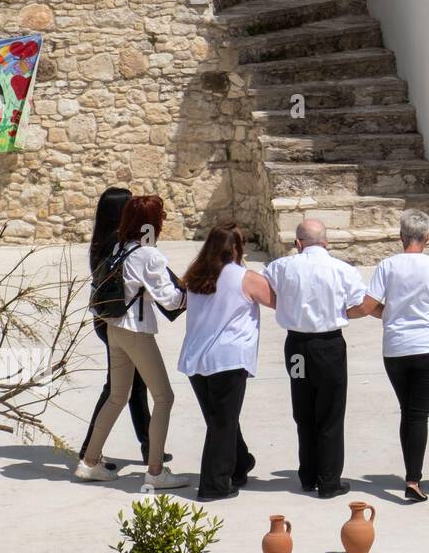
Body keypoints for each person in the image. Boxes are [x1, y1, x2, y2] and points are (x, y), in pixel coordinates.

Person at [356, 211, 429, 502]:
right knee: (418, 414)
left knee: (407, 412)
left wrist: (390, 314)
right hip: (428, 347)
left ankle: (412, 475)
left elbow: (368, 305)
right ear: (427, 238)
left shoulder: (387, 265)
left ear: (401, 237)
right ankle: (413, 479)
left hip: (395, 349)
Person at [75, 195, 188, 489]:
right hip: (137, 333)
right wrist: (196, 290)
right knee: (164, 397)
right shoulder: (150, 255)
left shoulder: (120, 248)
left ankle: (89, 462)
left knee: (117, 396)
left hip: (114, 328)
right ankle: (155, 470)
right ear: (152, 223)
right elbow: (172, 300)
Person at [263, 219, 368, 499]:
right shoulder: (342, 270)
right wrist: (339, 314)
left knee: (303, 406)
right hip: (329, 346)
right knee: (331, 412)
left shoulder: (282, 266)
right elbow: (361, 305)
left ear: (298, 243)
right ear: (326, 241)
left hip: (297, 346)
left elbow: (266, 289)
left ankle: (308, 474)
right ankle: (329, 480)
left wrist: (288, 306)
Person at [179, 224, 275, 501]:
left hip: (196, 358)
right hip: (228, 359)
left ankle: (240, 463)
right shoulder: (245, 277)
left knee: (220, 417)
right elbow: (278, 302)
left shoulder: (196, 275)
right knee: (222, 423)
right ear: (235, 248)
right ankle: (214, 484)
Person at [78, 186, 157, 471]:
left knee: (135, 387)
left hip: (106, 318)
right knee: (117, 389)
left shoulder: (103, 239)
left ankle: (150, 446)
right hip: (119, 320)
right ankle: (89, 451)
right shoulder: (118, 242)